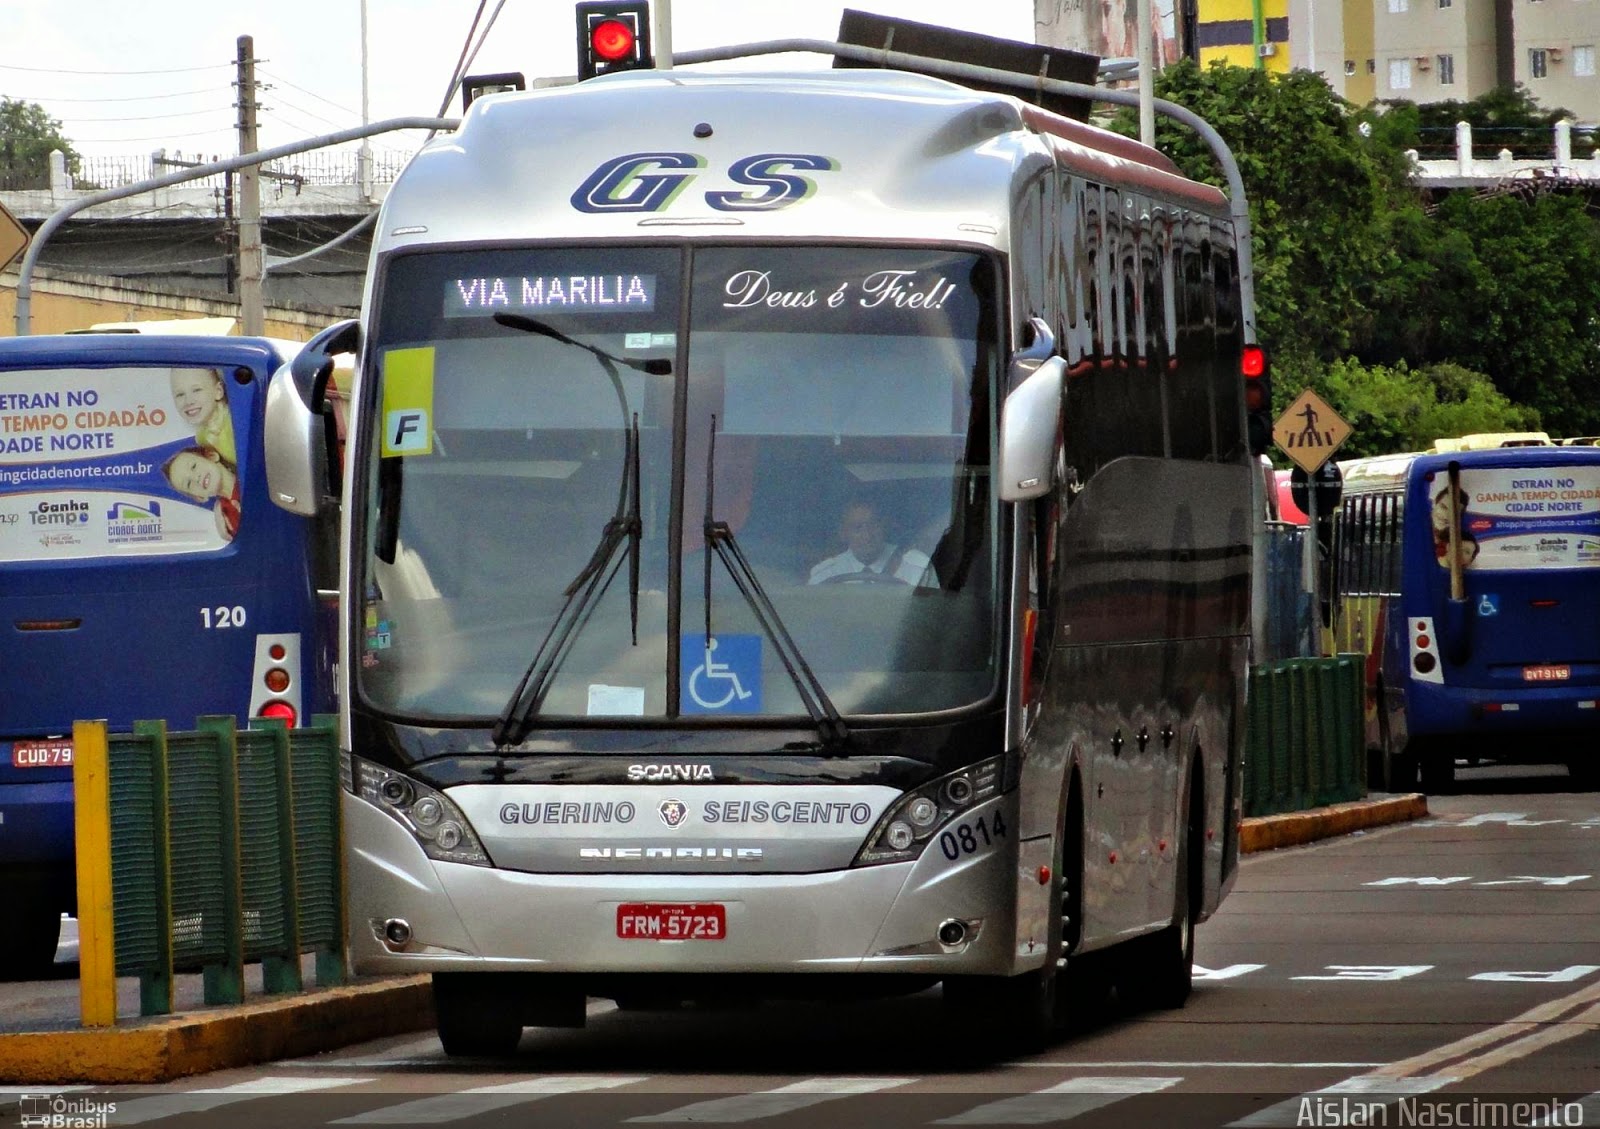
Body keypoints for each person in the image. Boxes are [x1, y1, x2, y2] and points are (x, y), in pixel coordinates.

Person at [808, 499, 933, 586]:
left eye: (874, 525)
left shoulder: (915, 568)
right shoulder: (826, 575)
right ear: (843, 533)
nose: (867, 536)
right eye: (857, 528)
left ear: (884, 526)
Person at [162, 444, 241, 541]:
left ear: (211, 456)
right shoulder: (228, 521)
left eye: (193, 467)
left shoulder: (251, 470)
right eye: (189, 484)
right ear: (199, 497)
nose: (196, 478)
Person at [169, 367, 236, 465]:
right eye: (180, 394)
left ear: (218, 391)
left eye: (197, 390)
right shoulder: (201, 437)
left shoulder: (234, 424)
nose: (188, 401)